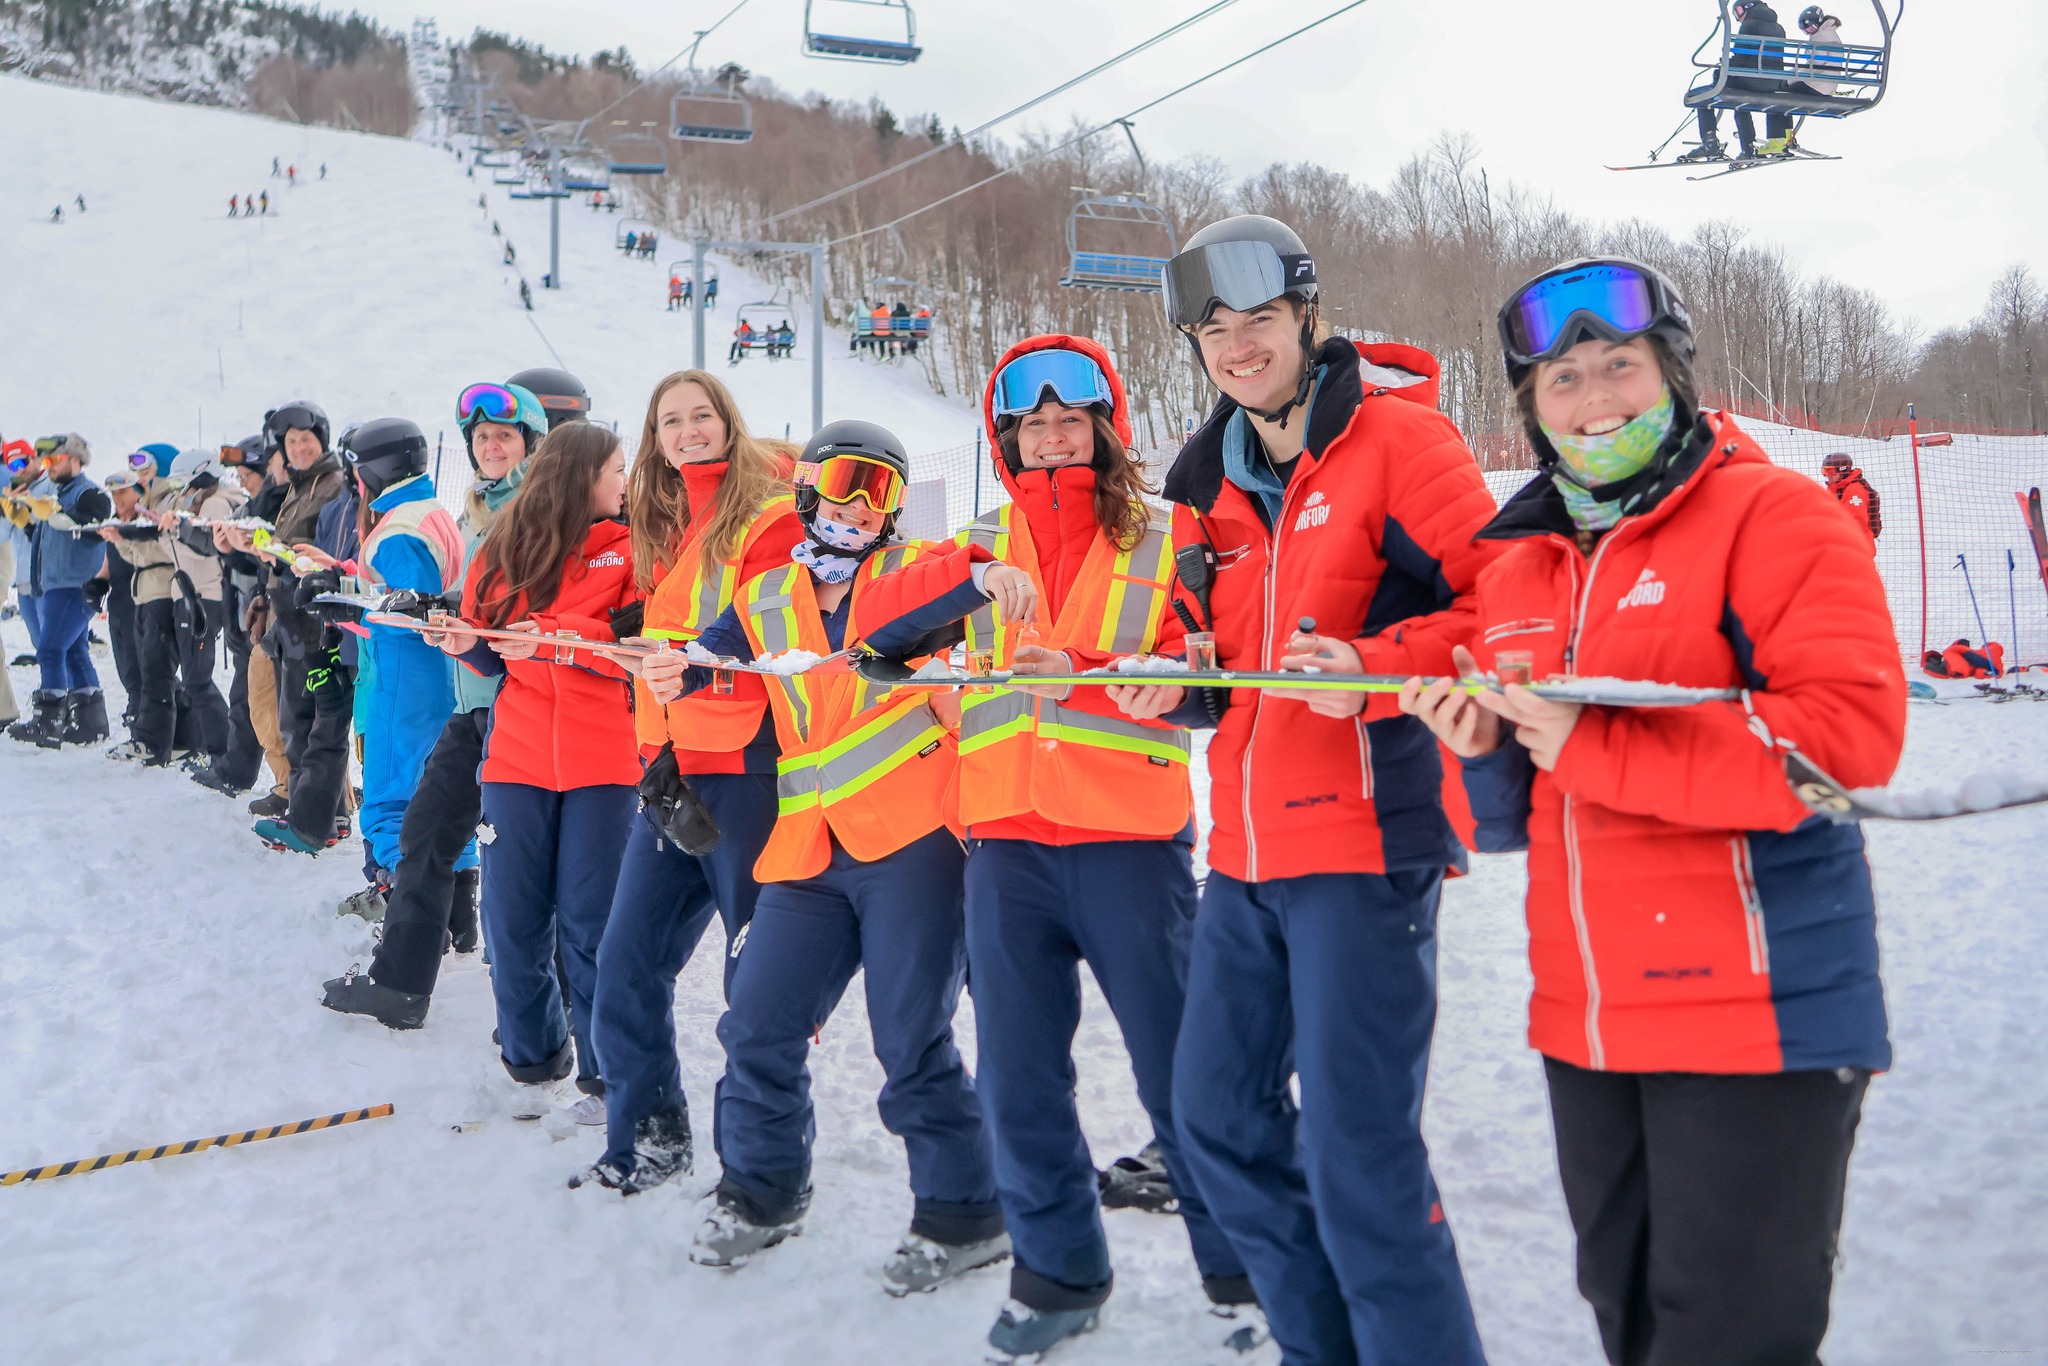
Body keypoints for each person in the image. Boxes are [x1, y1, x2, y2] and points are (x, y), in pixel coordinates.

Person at [1401, 255, 1903, 1366]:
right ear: (1532, 408)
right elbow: (1501, 822)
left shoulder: (1773, 515)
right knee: (1625, 1318)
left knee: (1727, 1339)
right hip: (1587, 1017)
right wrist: (1476, 751)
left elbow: (1845, 741)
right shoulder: (1520, 566)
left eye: (1619, 366)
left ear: (1672, 374)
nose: (1595, 398)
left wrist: (1597, 745)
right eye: (1563, 379)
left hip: (1758, 1014)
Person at [851, 339, 1261, 1358]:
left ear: (1104, 427)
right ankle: (1056, 1273)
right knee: (1019, 1077)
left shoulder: (1172, 533)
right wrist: (971, 581)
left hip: (1130, 846)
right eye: (1031, 424)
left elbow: (1213, 678)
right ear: (1007, 439)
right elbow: (874, 636)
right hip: (1006, 850)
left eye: (1069, 420)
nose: (1051, 437)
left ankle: (1246, 1274)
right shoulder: (980, 543)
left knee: (1181, 1071)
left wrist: (1081, 668)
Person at [1154, 214, 1498, 1366]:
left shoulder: (1398, 442)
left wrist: (1375, 667)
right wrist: (1166, 678)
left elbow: (1503, 605)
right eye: (1213, 331)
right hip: (1244, 856)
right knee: (1213, 1118)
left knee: (1360, 1155)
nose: (1236, 347)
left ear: (1307, 316)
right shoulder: (1206, 482)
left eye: (1258, 320)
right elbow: (1216, 661)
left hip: (1362, 848)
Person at [637, 422, 1005, 1285]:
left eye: (882, 490)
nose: (861, 505)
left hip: (912, 843)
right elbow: (709, 656)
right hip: (808, 849)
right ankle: (762, 1191)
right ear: (806, 489)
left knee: (909, 1036)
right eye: (846, 482)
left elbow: (954, 578)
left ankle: (965, 1215)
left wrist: (985, 573)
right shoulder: (768, 594)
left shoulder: (903, 577)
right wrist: (674, 671)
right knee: (757, 1020)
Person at [573, 370, 801, 1194]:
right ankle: (648, 1138)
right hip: (670, 771)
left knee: (760, 986)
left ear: (728, 423)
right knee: (625, 963)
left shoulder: (770, 516)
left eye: (702, 415)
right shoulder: (666, 520)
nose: (688, 430)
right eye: (671, 420)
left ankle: (764, 1174)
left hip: (746, 768)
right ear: (655, 440)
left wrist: (686, 661)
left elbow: (772, 634)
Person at [323, 380, 553, 1029]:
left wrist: (425, 609)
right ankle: (400, 985)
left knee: (510, 851)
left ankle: (539, 1003)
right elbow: (469, 595)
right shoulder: (477, 509)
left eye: (504, 436)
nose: (491, 446)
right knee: (427, 835)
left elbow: (531, 603)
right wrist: (425, 607)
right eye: (482, 437)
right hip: (471, 699)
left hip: (513, 704)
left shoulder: (537, 511)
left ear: (533, 444)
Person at [435, 422, 642, 1120]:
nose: (625, 482)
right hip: (516, 761)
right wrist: (464, 642)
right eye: (617, 469)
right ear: (583, 475)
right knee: (512, 922)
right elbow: (492, 652)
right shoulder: (504, 548)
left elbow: (640, 649)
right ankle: (531, 1064)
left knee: (592, 925)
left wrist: (559, 638)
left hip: (604, 765)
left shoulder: (634, 549)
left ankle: (606, 1075)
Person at [223, 401, 347, 845]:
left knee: (306, 720)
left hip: (312, 617)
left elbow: (323, 553)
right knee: (292, 715)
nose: (298, 448)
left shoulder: (332, 484)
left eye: (306, 440)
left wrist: (272, 552)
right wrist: (255, 551)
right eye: (291, 442)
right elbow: (284, 547)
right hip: (288, 610)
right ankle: (315, 806)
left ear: (322, 440)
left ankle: (319, 814)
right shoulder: (300, 483)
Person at [189, 437, 273, 797]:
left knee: (257, 701)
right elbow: (229, 554)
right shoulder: (251, 506)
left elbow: (264, 560)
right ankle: (236, 768)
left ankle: (240, 771)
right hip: (243, 612)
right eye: (238, 476)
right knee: (244, 697)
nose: (243, 482)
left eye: (246, 475)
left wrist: (236, 549)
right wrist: (223, 546)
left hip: (262, 616)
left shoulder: (273, 505)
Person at [15, 434, 112, 748]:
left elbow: (99, 528)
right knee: (72, 650)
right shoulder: (58, 494)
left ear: (75, 459)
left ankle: (49, 721)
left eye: (54, 460)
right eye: (45, 461)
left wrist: (65, 518)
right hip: (57, 583)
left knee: (50, 649)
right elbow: (52, 538)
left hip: (74, 583)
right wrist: (26, 523)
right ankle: (91, 722)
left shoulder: (87, 493)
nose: (49, 467)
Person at [157, 449, 246, 775]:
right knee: (196, 678)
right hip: (195, 592)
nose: (183, 489)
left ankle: (223, 750)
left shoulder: (215, 503)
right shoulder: (207, 501)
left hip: (202, 595)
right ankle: (213, 747)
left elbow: (206, 548)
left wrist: (174, 530)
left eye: (185, 481)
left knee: (196, 679)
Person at [98, 461, 185, 764]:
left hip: (161, 593)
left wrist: (127, 539)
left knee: (155, 671)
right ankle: (173, 737)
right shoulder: (137, 514)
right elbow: (136, 557)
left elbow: (164, 552)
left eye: (123, 492)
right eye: (114, 494)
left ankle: (153, 741)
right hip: (140, 594)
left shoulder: (161, 507)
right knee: (144, 670)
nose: (118, 499)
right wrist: (120, 542)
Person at [1685, 0, 1794, 161]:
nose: (1737, 18)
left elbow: (1741, 57)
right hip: (1773, 82)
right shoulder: (1779, 28)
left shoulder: (1749, 25)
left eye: (1738, 12)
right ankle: (1748, 147)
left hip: (1751, 81)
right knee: (1739, 98)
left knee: (1702, 95)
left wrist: (1723, 68)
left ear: (1748, 7)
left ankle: (1711, 144)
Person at [1821, 451, 1879, 544]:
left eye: (1830, 471)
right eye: (1824, 471)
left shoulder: (1854, 491)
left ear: (1843, 471)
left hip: (1855, 545)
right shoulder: (1837, 489)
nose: (1827, 475)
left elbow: (1858, 524)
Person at [1797, 7, 1847, 100]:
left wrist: (1796, 75)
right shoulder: (1827, 33)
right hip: (1827, 83)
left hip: (1818, 85)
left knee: (1785, 89)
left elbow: (1816, 63)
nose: (1809, 33)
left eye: (1811, 29)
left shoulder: (1821, 36)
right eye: (1806, 31)